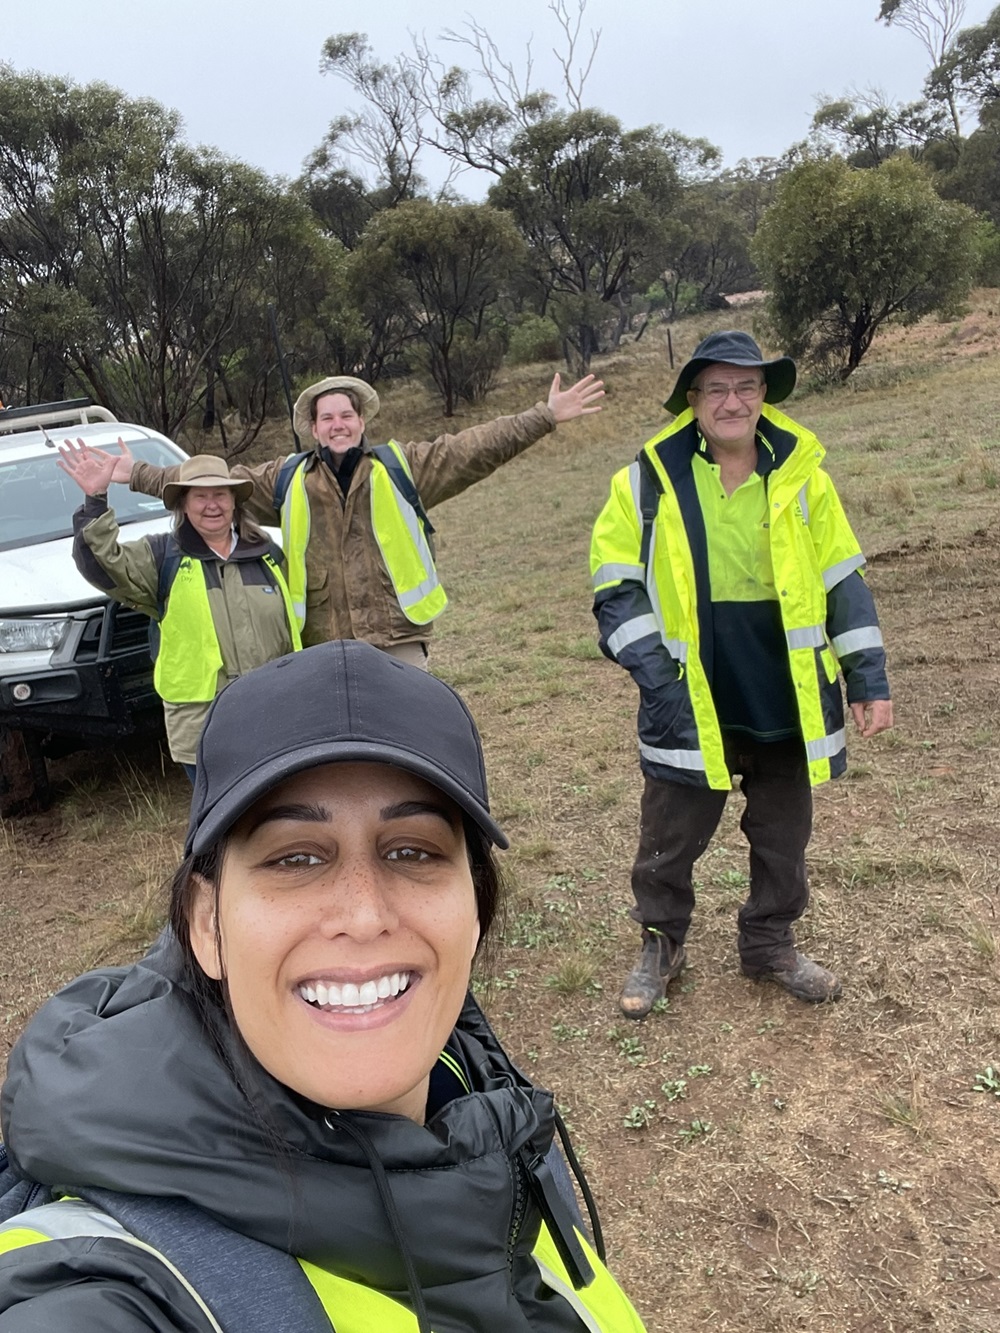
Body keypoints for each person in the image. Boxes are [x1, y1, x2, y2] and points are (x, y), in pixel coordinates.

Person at [0, 639, 647, 1332]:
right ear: (206, 924)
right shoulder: (105, 1291)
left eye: (412, 850)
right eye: (295, 857)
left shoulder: (500, 1124)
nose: (364, 915)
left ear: (475, 906)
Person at [590, 331, 893, 1018]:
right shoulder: (646, 480)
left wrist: (867, 678)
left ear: (764, 396)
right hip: (689, 694)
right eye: (717, 388)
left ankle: (769, 943)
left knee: (784, 836)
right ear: (692, 400)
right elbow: (616, 589)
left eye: (746, 387)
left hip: (785, 690)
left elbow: (843, 581)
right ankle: (662, 943)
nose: (733, 401)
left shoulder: (804, 477)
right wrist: (660, 678)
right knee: (670, 833)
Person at [60, 372, 605, 666]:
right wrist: (134, 472)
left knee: (408, 741)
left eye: (347, 415)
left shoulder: (404, 467)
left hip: (398, 639)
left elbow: (475, 446)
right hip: (321, 644)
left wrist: (543, 417)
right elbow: (213, 484)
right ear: (313, 429)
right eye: (328, 418)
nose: (338, 424)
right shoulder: (284, 478)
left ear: (361, 421)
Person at [59, 450, 301, 781]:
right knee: (220, 825)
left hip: (277, 718)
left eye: (220, 494)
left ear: (234, 501)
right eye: (199, 496)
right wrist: (95, 500)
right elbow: (101, 563)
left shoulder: (267, 554)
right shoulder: (161, 557)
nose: (211, 504)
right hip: (203, 727)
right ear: (183, 505)